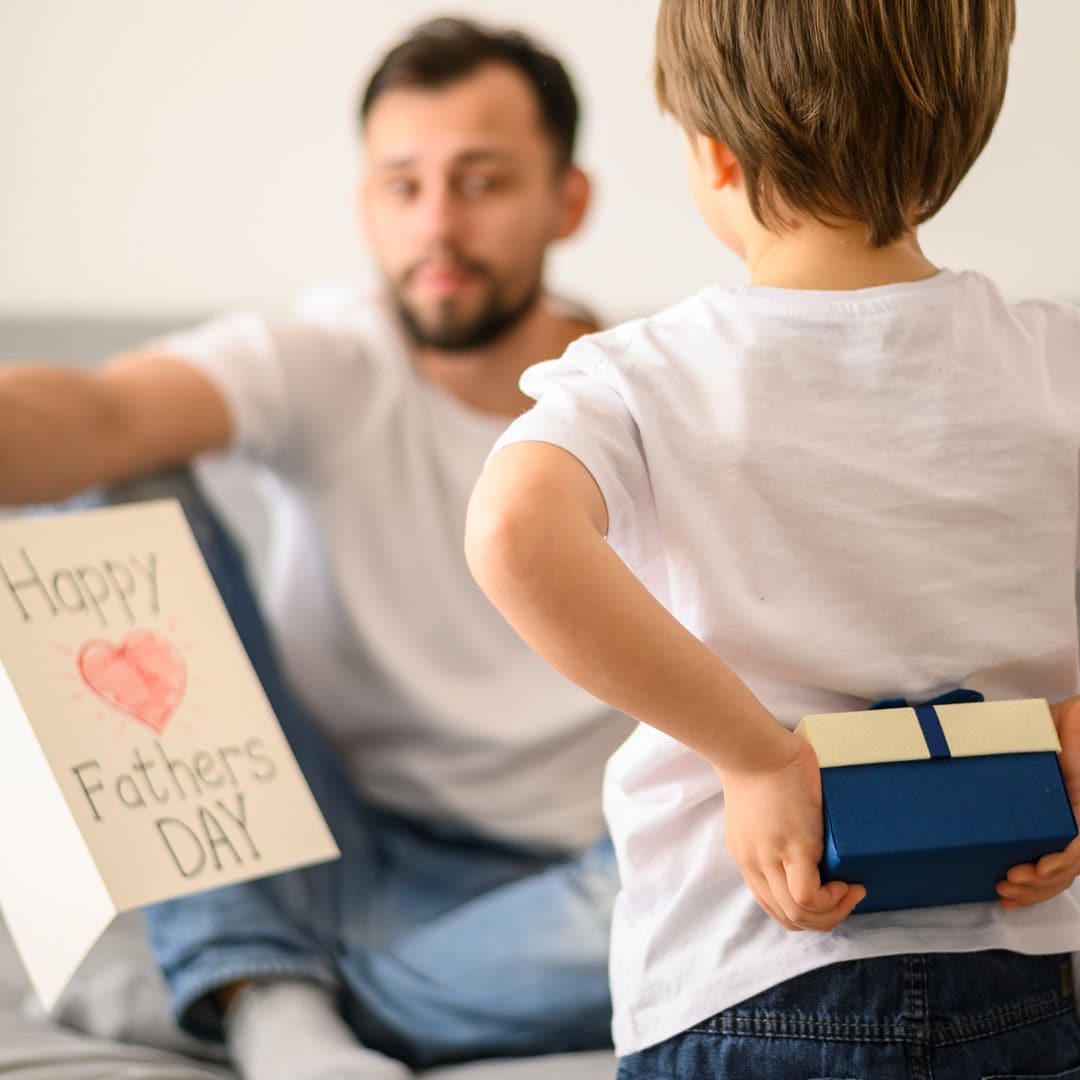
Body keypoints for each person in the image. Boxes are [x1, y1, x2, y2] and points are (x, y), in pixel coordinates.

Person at [0, 16, 631, 1080]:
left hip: (563, 882)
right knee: (110, 489)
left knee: (725, 890)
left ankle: (248, 986)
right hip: (309, 839)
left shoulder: (652, 393)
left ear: (567, 201)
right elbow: (101, 417)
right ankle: (272, 981)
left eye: (480, 183)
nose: (437, 225)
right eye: (403, 186)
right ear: (365, 205)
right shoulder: (329, 359)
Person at [465, 1, 1080, 1077]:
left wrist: (754, 758)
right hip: (1023, 984)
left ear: (712, 151)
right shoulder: (1053, 362)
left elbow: (517, 530)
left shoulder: (646, 377)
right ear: (962, 134)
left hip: (741, 974)